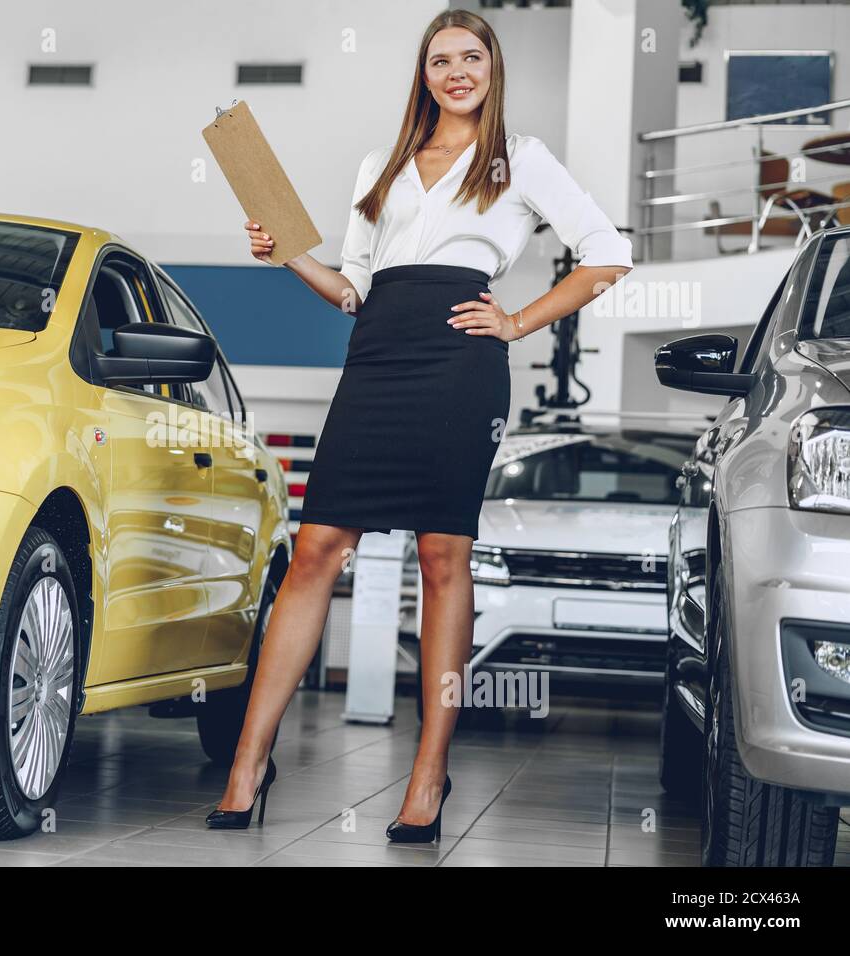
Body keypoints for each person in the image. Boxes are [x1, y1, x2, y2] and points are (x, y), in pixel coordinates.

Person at [205, 8, 633, 841]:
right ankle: (247, 765)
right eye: (441, 60)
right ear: (424, 73)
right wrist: (288, 254)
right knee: (318, 548)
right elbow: (352, 286)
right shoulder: (385, 162)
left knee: (444, 557)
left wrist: (518, 320)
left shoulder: (521, 159)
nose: (457, 72)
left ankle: (428, 778)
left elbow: (607, 252)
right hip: (377, 354)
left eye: (472, 57)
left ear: (491, 68)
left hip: (459, 367)